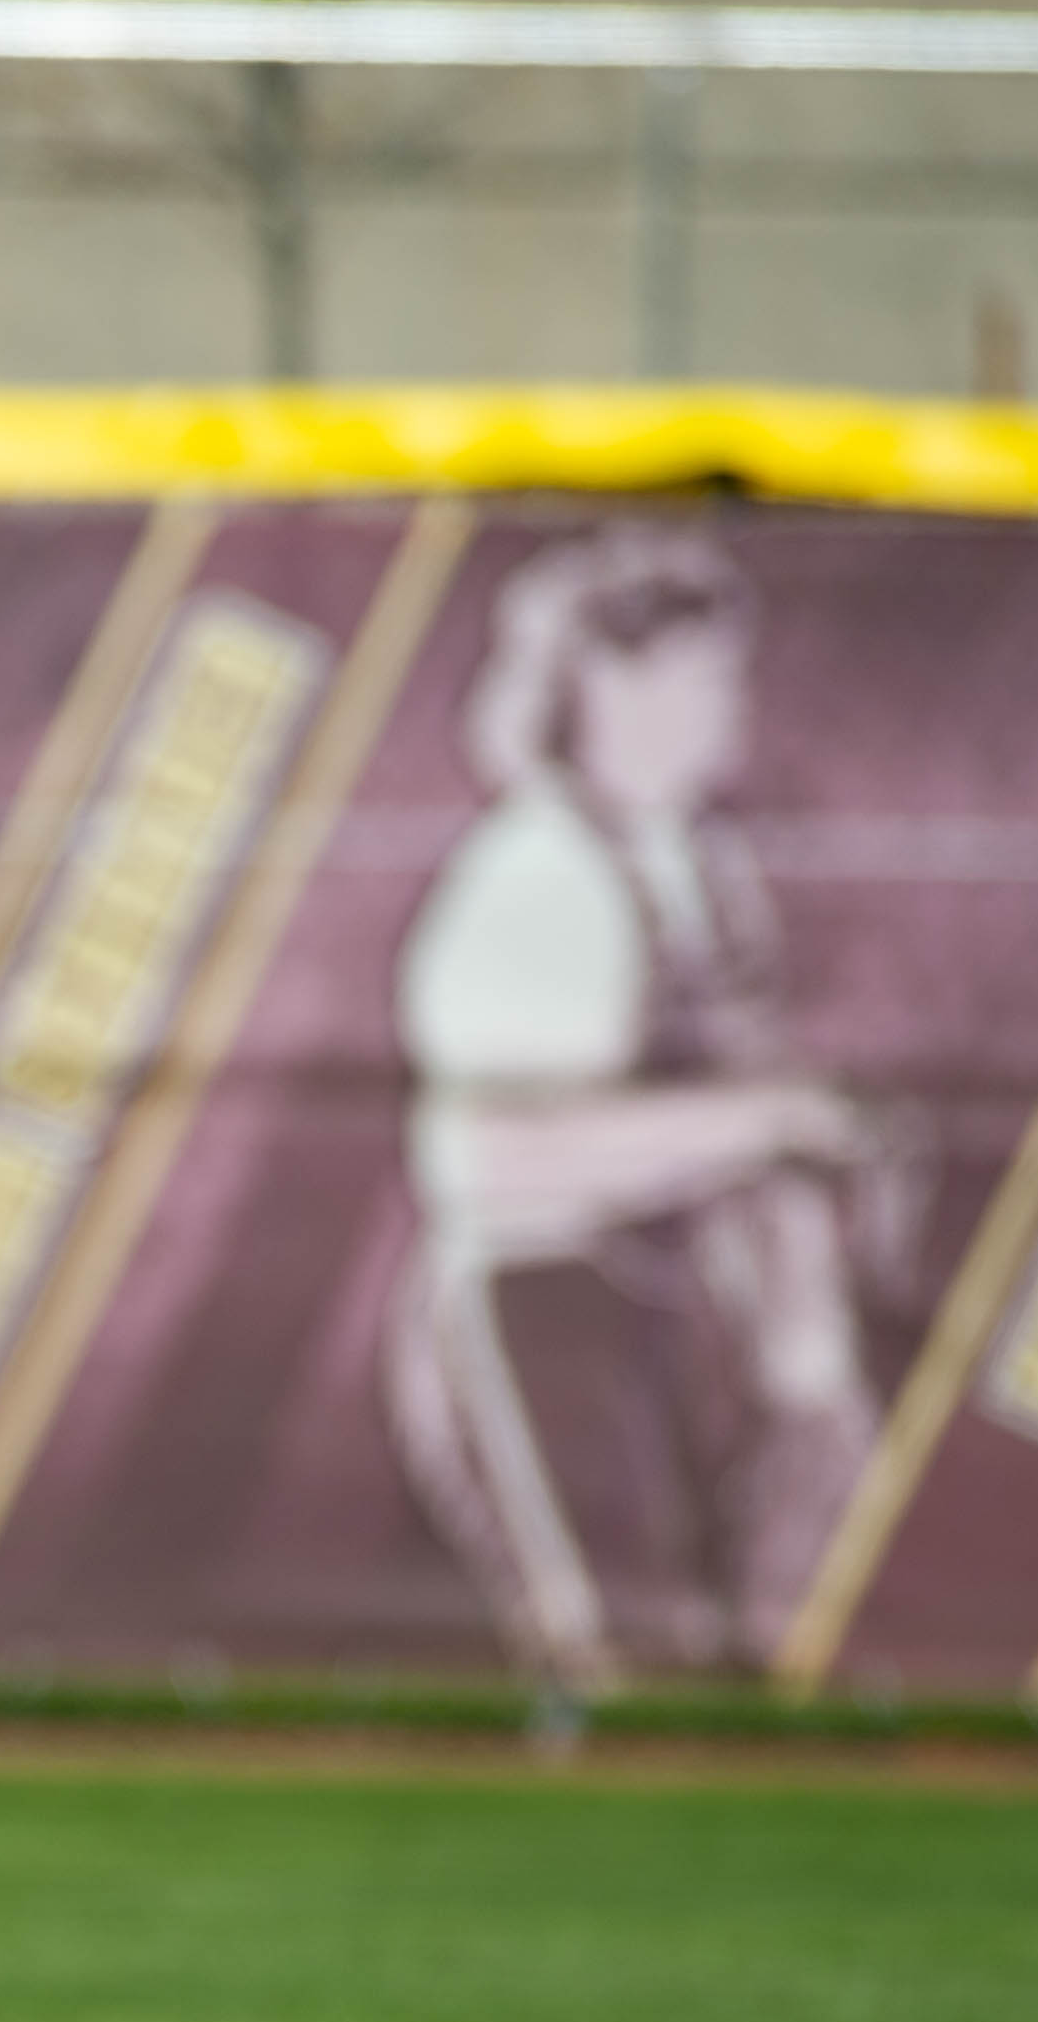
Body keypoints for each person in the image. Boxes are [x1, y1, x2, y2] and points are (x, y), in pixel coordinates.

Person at [388, 523, 911, 1686]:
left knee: (741, 1673)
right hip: (548, 1317)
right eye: (701, 673)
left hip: (675, 1315)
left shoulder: (691, 859)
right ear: (603, 684)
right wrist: (767, 1121)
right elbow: (487, 1159)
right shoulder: (540, 873)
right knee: (632, 1674)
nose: (731, 700)